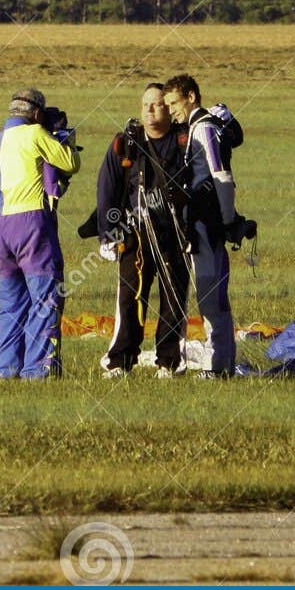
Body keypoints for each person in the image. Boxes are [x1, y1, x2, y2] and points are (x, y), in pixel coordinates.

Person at [0, 88, 81, 380]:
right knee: (46, 295)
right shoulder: (36, 134)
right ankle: (38, 369)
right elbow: (70, 163)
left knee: (12, 301)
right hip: (30, 222)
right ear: (36, 114)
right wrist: (65, 141)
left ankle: (5, 368)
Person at [96, 82, 192, 378]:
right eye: (145, 105)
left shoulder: (184, 142)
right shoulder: (126, 143)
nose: (149, 111)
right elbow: (107, 190)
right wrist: (108, 234)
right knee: (130, 298)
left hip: (174, 235)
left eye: (157, 104)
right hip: (133, 234)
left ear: (169, 108)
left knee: (174, 298)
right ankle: (120, 361)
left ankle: (168, 362)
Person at [162, 73, 246, 377]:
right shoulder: (197, 127)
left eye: (174, 102)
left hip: (207, 226)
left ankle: (217, 366)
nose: (171, 110)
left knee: (211, 297)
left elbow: (221, 175)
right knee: (210, 296)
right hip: (201, 225)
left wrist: (226, 221)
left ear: (191, 96)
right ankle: (222, 365)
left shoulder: (204, 128)